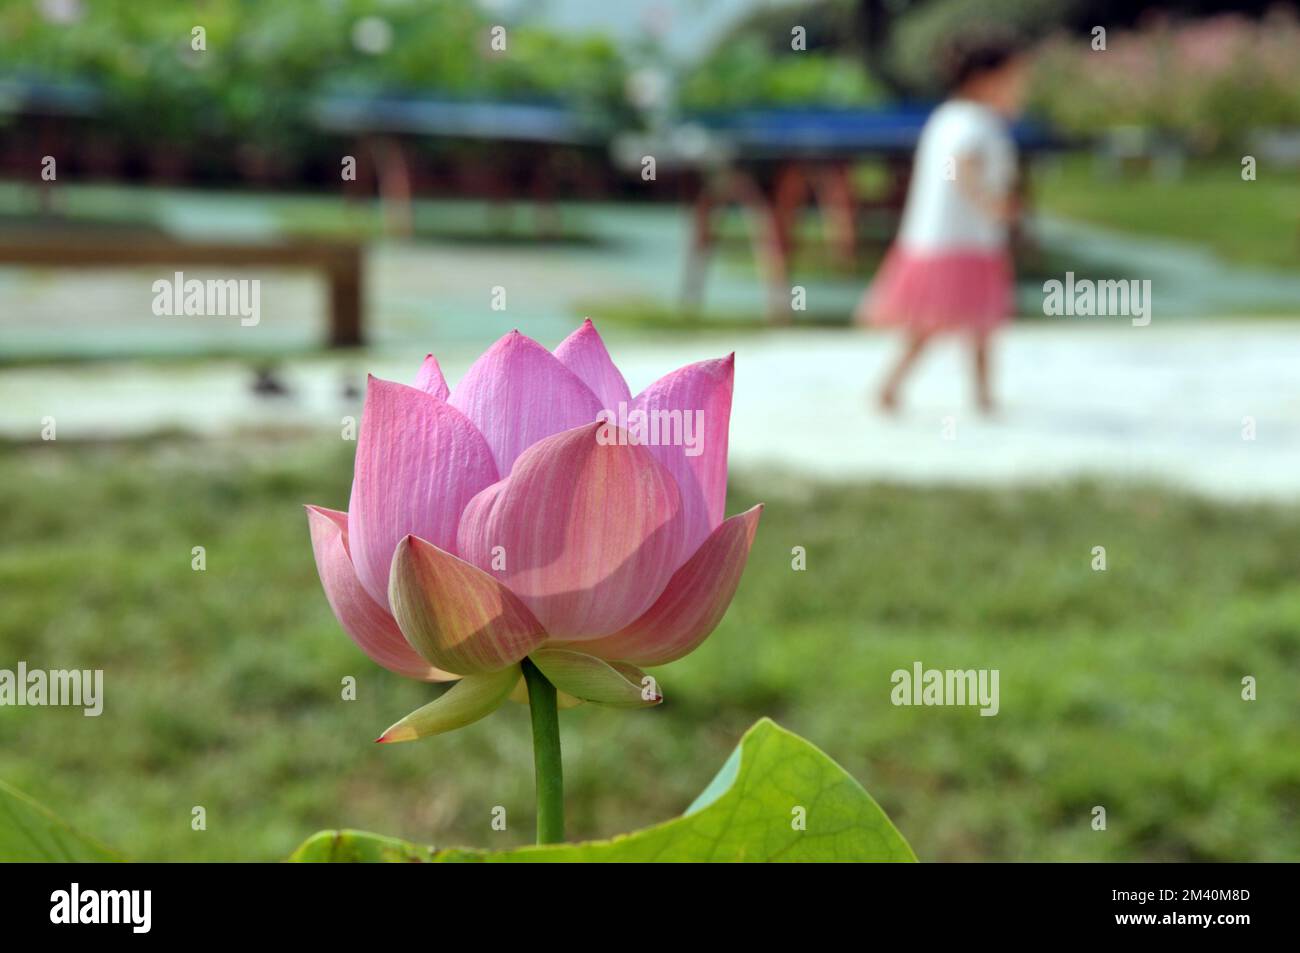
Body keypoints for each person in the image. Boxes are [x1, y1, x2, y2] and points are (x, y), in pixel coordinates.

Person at [859, 33, 1030, 414]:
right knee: (947, 322)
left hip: (946, 238)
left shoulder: (948, 116)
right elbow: (963, 165)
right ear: (987, 79)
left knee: (969, 322)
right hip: (960, 241)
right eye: (1015, 78)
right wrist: (992, 205)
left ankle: (978, 394)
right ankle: (903, 388)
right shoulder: (975, 121)